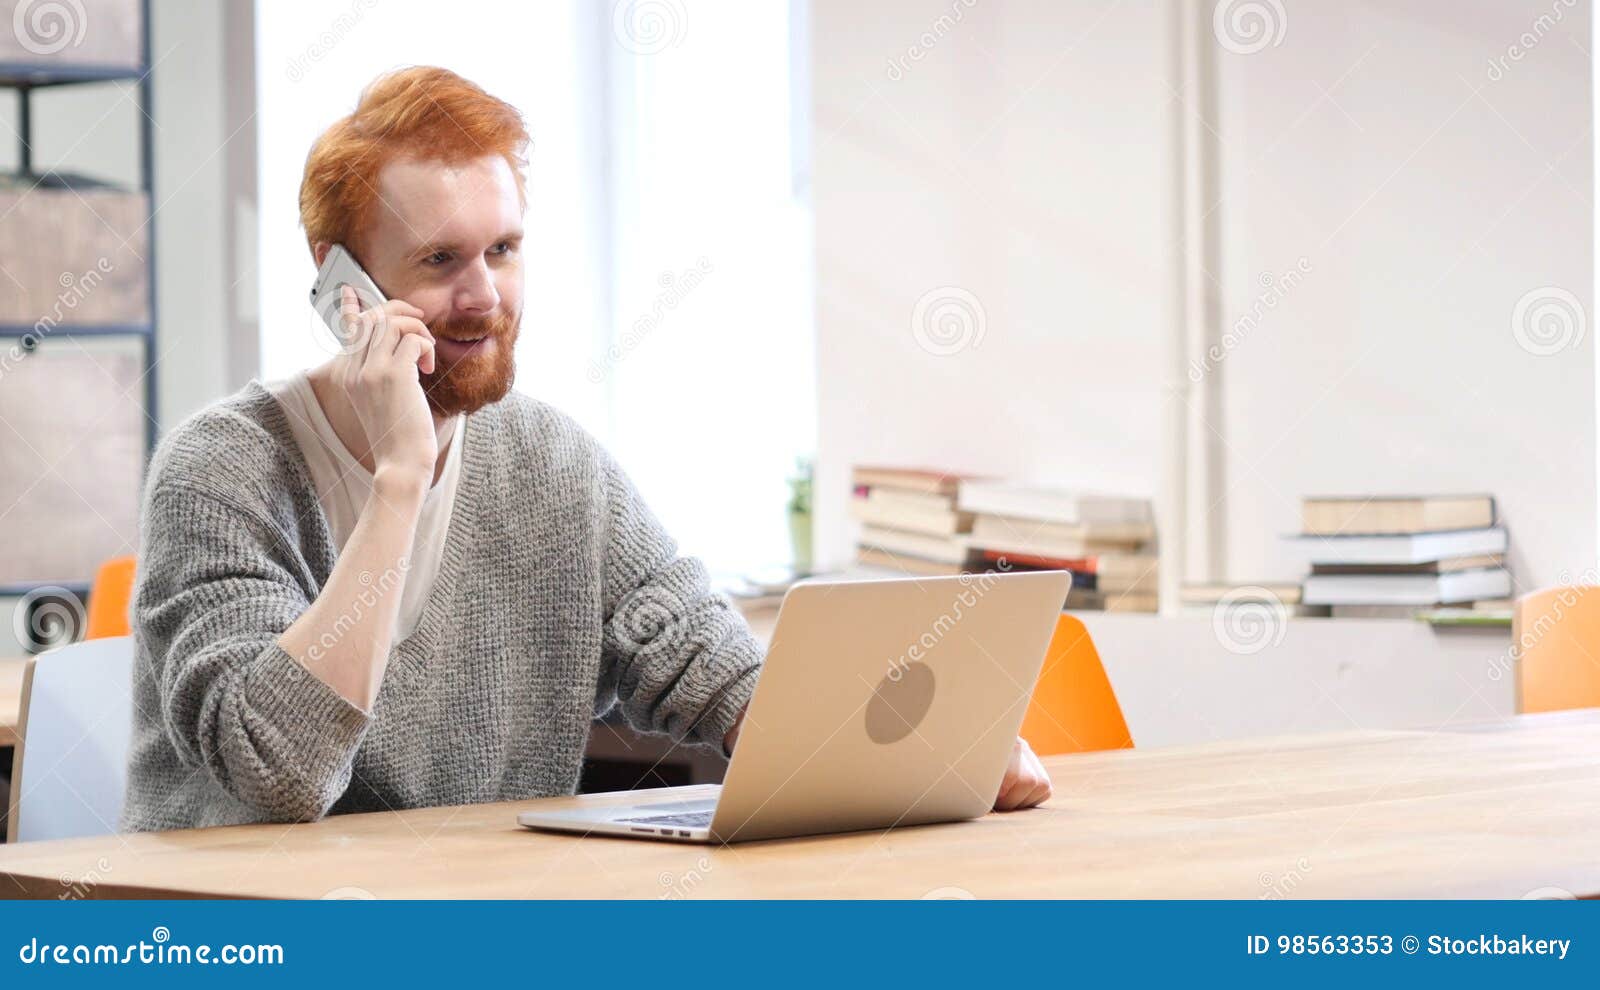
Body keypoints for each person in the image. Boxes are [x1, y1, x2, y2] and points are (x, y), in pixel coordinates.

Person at [120, 66, 1051, 832]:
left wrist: (925, 761)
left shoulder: (554, 466)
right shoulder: (222, 473)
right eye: (441, 261)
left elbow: (709, 666)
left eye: (505, 250)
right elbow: (280, 775)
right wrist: (400, 479)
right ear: (342, 286)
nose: (486, 296)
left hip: (483, 928)